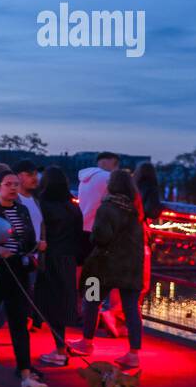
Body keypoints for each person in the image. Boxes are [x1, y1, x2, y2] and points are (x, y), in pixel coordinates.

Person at [0, 172, 47, 387]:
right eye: (8, 185)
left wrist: (36, 246)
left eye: (16, 184)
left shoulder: (22, 210)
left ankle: (26, 375)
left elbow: (27, 239)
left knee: (18, 323)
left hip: (18, 269)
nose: (14, 189)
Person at [70, 169, 145, 368]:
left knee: (91, 300)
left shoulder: (107, 207)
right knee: (131, 308)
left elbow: (101, 237)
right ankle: (133, 352)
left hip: (101, 267)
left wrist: (93, 237)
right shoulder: (135, 208)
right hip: (131, 266)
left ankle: (87, 342)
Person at [34, 166, 83, 365]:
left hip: (49, 258)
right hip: (68, 260)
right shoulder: (73, 207)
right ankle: (60, 347)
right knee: (61, 304)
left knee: (48, 303)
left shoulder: (42, 206)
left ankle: (60, 351)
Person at [78, 151, 122, 336]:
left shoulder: (85, 178)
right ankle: (105, 316)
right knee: (108, 280)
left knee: (91, 281)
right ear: (113, 163)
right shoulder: (109, 179)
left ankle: (87, 315)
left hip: (84, 233)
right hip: (101, 235)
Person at [12, 159, 47, 329]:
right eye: (30, 174)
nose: (35, 178)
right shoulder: (14, 200)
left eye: (35, 174)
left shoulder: (35, 199)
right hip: (19, 256)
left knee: (29, 292)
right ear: (18, 176)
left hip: (34, 256)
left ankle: (27, 321)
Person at [132, 161, 163, 303]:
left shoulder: (131, 186)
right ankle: (132, 313)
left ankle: (115, 313)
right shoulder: (151, 188)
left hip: (126, 234)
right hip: (139, 234)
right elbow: (152, 211)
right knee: (140, 278)